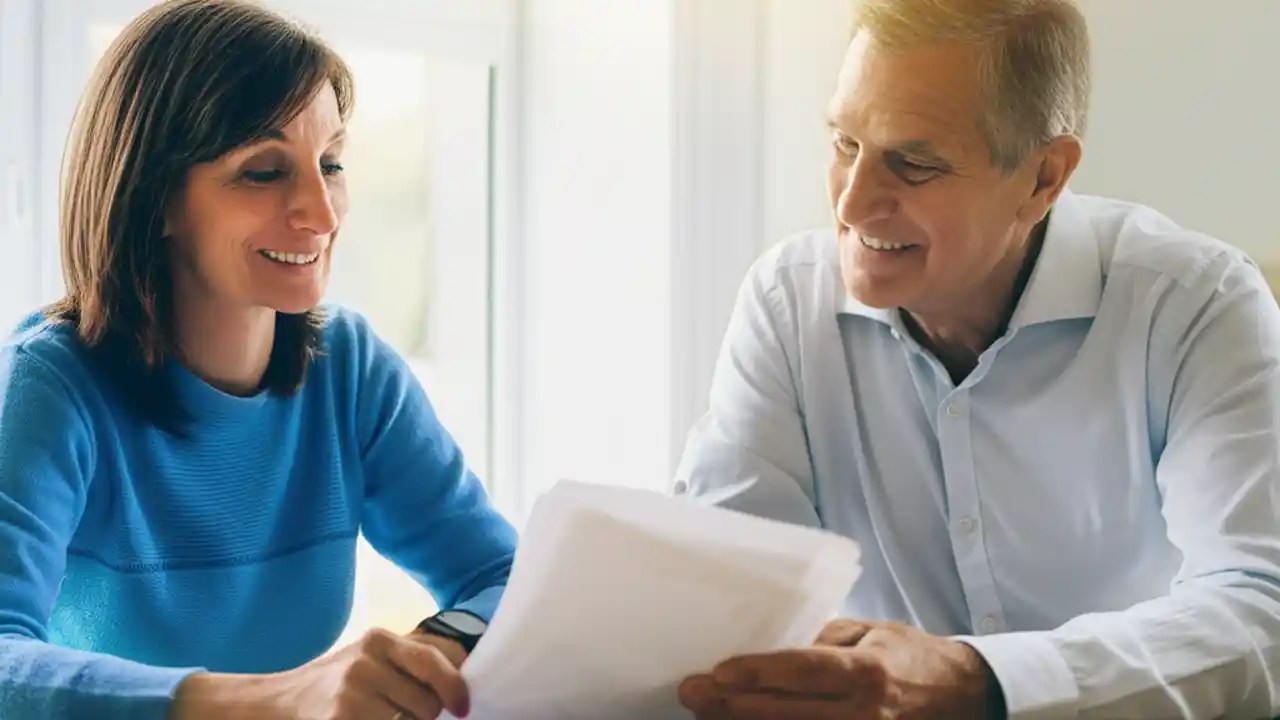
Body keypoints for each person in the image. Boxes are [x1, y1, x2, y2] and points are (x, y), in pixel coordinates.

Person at [674, 0, 1280, 718]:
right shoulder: (785, 303)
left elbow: (1260, 609)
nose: (855, 203)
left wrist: (979, 679)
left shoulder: (1194, 305)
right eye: (844, 145)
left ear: (1043, 179)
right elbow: (725, 594)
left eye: (915, 163)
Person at [0, 1, 516, 718]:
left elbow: (505, 576)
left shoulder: (351, 371)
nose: (323, 213)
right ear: (156, 200)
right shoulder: (49, 387)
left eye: (330, 163)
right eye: (264, 171)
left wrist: (427, 652)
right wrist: (272, 700)